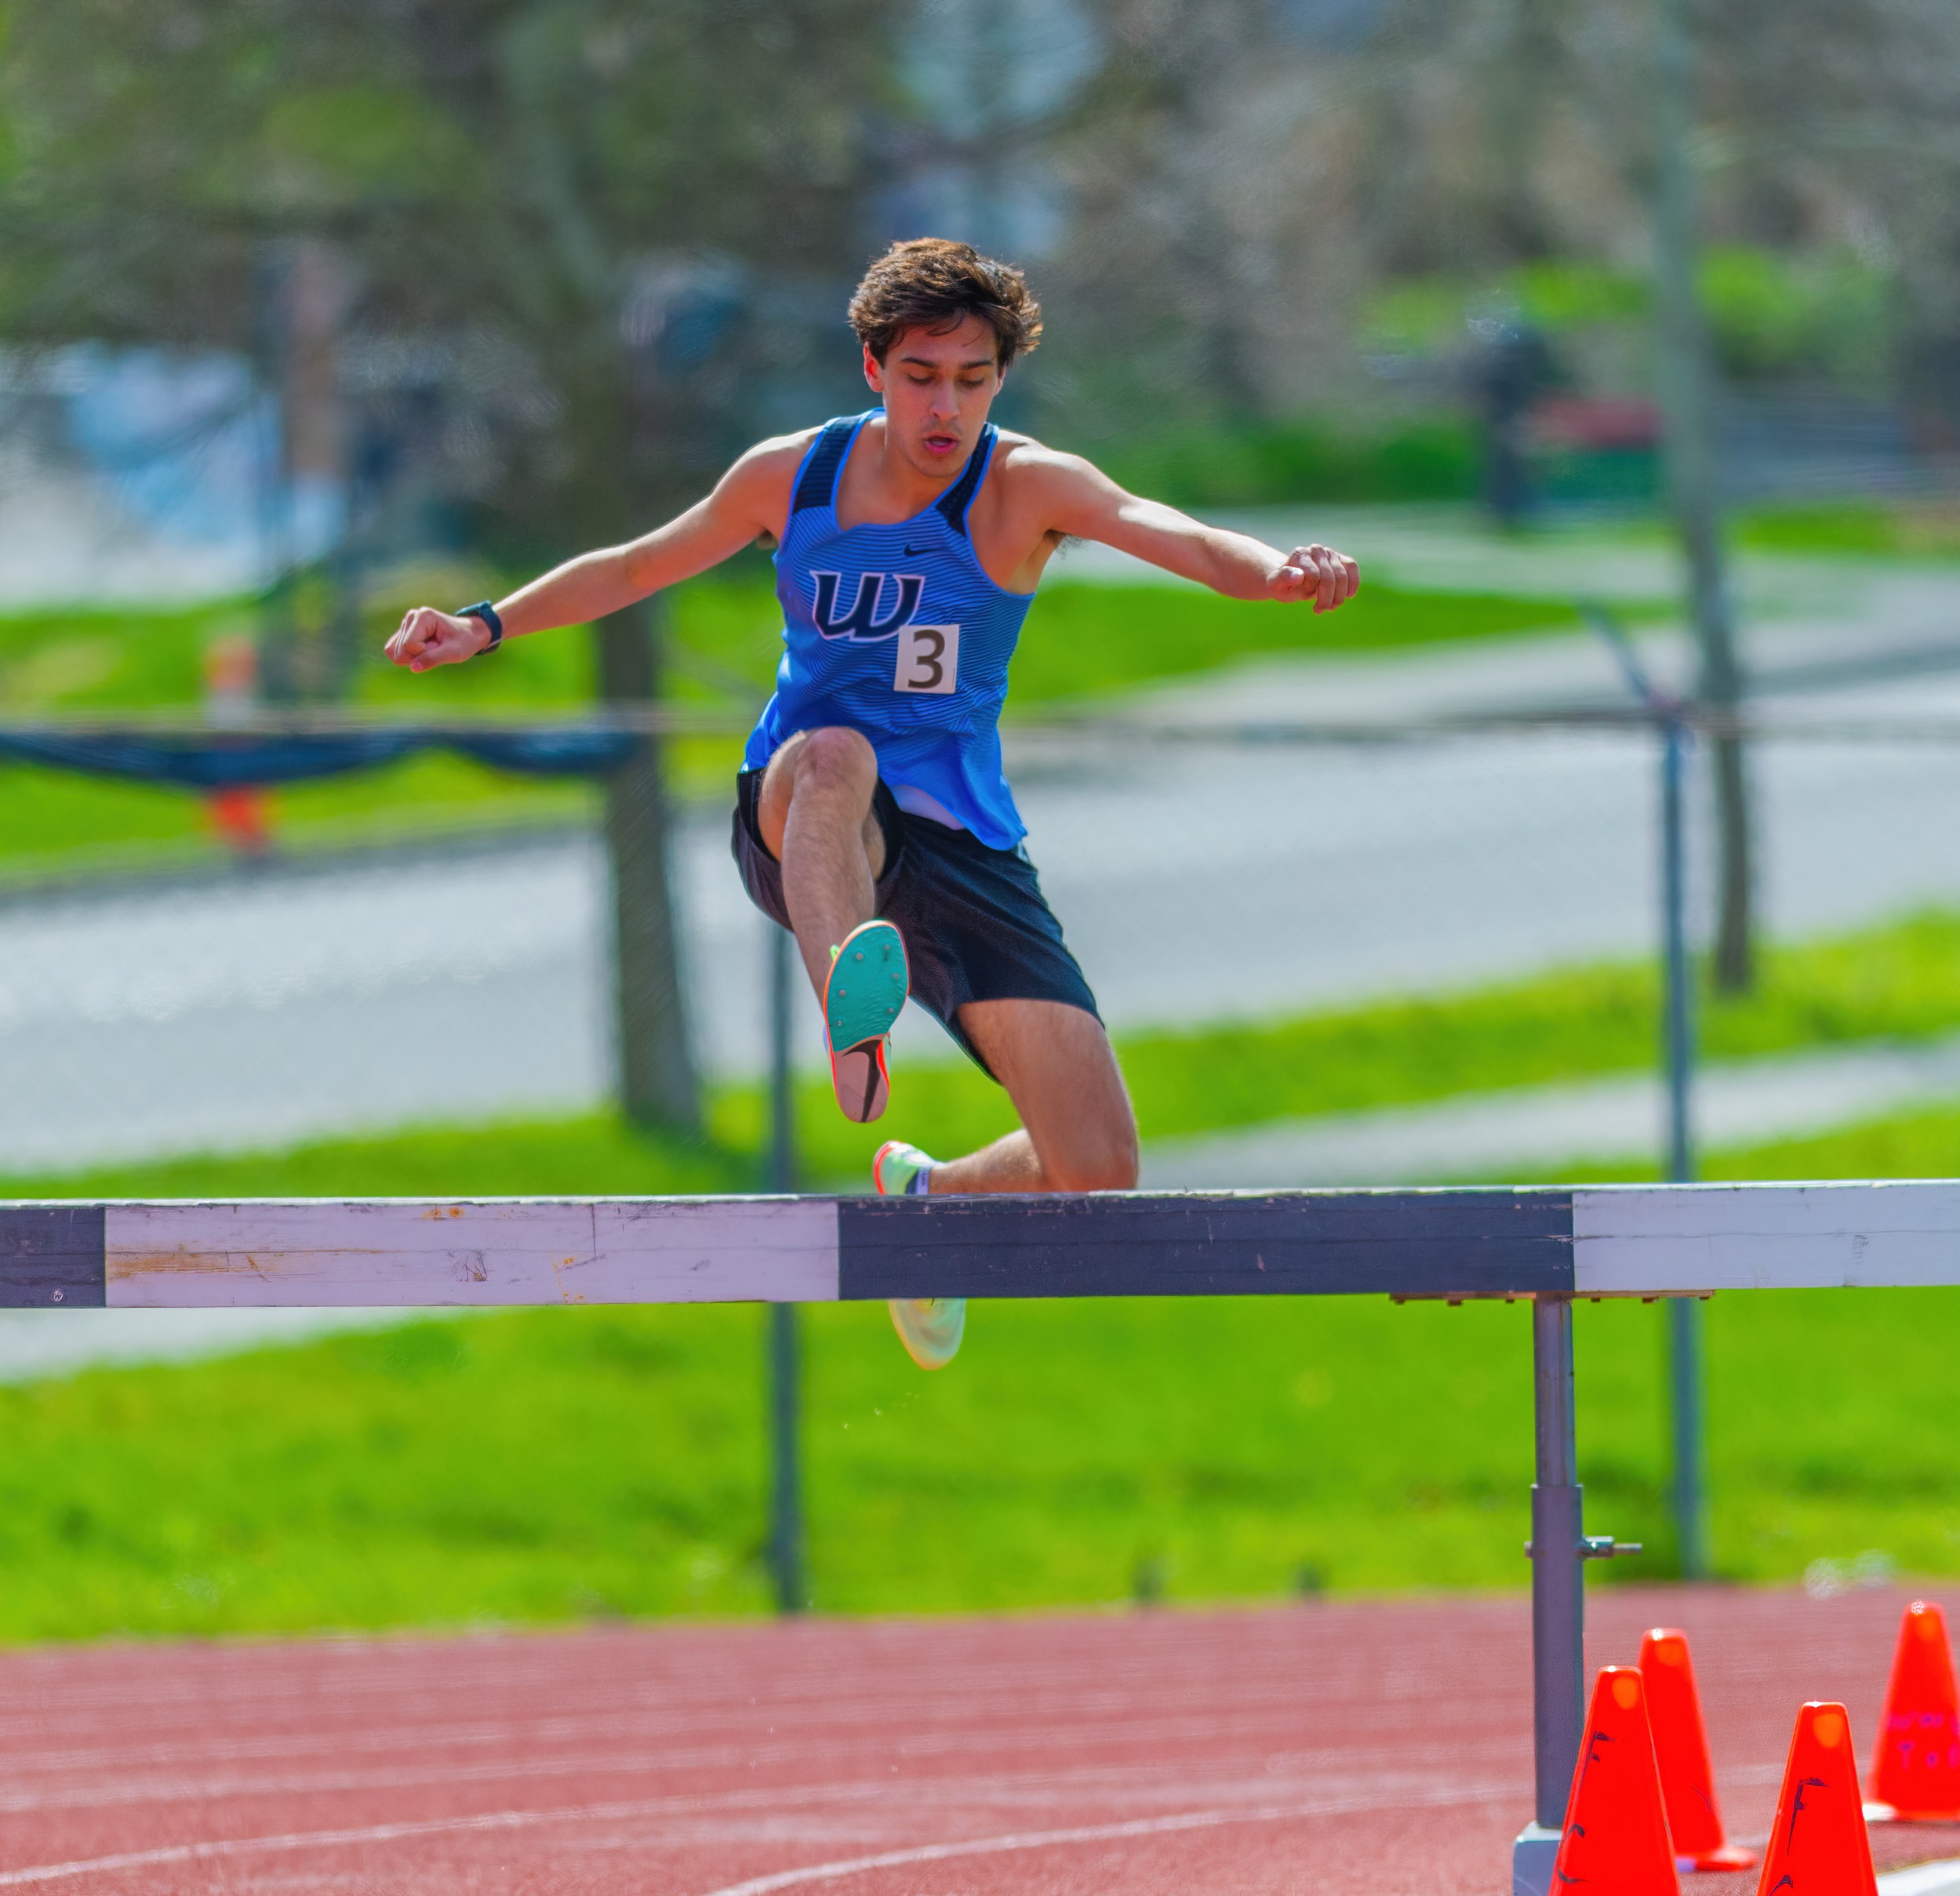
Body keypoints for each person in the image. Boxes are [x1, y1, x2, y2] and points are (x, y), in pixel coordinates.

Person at [385, 238, 1357, 1368]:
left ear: (999, 381)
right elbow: (637, 564)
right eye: (920, 376)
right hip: (805, 818)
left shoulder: (1024, 484)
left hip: (958, 842)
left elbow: (1163, 528)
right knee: (836, 751)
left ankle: (928, 1196)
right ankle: (855, 1019)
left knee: (1096, 1168)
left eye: (972, 380)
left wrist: (1278, 569)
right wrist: (485, 621)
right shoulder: (789, 477)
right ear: (871, 369)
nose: (946, 407)